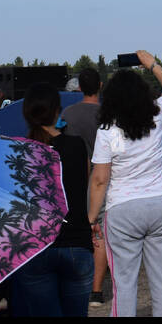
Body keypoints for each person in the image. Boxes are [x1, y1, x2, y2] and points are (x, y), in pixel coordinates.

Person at [87, 51, 162, 317]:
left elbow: (100, 178)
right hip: (161, 205)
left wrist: (92, 216)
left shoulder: (108, 132)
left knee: (124, 283)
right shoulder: (158, 116)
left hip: (123, 210)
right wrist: (150, 63)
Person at [11, 83, 94, 316]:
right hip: (77, 241)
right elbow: (82, 184)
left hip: (37, 246)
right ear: (58, 111)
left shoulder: (20, 151)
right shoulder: (77, 146)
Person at [61, 68, 108, 304]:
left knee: (81, 230)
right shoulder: (109, 113)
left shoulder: (68, 113)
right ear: (100, 85)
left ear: (79, 87)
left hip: (77, 179)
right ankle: (97, 289)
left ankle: (79, 280)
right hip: (105, 177)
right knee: (99, 231)